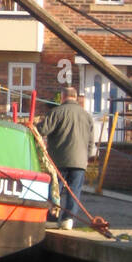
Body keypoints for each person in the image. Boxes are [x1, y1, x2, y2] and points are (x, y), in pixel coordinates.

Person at [38, 86, 96, 229]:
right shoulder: (87, 116)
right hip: (80, 161)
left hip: (59, 159)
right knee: (74, 191)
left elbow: (42, 130)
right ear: (75, 97)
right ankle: (68, 220)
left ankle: (52, 218)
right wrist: (87, 158)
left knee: (55, 190)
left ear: (63, 97)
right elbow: (91, 142)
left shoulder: (57, 112)